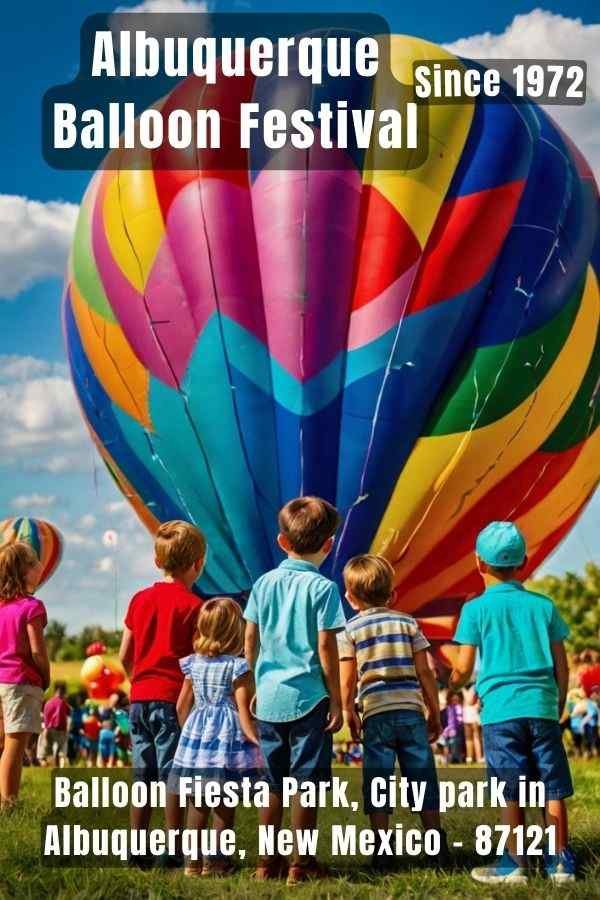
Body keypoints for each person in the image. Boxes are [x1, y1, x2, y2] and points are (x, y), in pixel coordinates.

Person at [450, 521, 575, 884]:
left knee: (511, 788)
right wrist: (558, 701)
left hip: (501, 713)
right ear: (523, 562)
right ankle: (560, 863)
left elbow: (463, 666)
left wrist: (452, 680)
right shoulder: (543, 606)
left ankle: (516, 863)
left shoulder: (474, 610)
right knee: (552, 786)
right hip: (542, 707)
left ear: (479, 563)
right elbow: (561, 664)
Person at [244, 496, 345, 884]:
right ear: (329, 544)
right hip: (309, 699)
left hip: (268, 699)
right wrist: (335, 696)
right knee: (307, 783)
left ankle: (265, 863)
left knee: (272, 783)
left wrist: (255, 679)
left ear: (282, 542)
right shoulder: (324, 588)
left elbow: (250, 637)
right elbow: (326, 646)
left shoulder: (263, 584)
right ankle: (300, 864)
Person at [338, 554, 448, 869]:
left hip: (375, 712)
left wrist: (349, 711)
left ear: (350, 596)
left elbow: (348, 679)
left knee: (378, 779)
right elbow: (426, 671)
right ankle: (434, 844)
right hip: (411, 711)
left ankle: (383, 850)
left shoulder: (350, 630)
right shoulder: (407, 623)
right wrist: (434, 710)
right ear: (392, 594)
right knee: (422, 777)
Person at [119, 520, 205, 867]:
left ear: (157, 562)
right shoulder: (194, 606)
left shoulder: (140, 600)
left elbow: (125, 653)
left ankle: (137, 851)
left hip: (139, 699)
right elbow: (197, 662)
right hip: (173, 701)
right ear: (198, 564)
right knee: (173, 775)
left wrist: (136, 681)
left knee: (144, 774)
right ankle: (173, 849)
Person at [170, 598, 263, 877]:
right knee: (224, 801)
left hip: (197, 735)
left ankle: (192, 864)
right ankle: (218, 862)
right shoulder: (237, 667)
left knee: (197, 801)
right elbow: (244, 711)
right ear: (235, 630)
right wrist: (256, 739)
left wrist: (192, 734)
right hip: (227, 740)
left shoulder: (193, 664)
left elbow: (180, 706)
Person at [0, 542, 48, 809]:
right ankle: (9, 803)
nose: (39, 567)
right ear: (24, 572)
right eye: (34, 563)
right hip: (20, 682)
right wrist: (45, 675)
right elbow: (37, 650)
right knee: (15, 747)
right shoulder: (32, 607)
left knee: (3, 745)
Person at [38, 682, 71, 768]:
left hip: (48, 729)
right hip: (59, 728)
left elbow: (45, 716)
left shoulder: (48, 702)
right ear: (63, 692)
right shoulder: (62, 703)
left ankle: (49, 766)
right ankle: (58, 768)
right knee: (60, 750)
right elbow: (64, 715)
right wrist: (64, 729)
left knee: (49, 750)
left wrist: (46, 728)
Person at [462, 684, 484, 763]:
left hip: (472, 711)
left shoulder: (474, 686)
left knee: (476, 736)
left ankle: (478, 757)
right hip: (467, 711)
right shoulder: (469, 686)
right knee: (469, 737)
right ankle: (470, 757)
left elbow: (470, 701)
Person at [443, 691, 465, 764]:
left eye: (457, 696)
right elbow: (445, 719)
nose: (455, 698)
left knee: (456, 745)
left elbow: (460, 720)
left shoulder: (460, 707)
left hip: (457, 730)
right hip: (447, 731)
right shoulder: (447, 708)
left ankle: (457, 759)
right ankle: (447, 760)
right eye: (453, 696)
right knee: (447, 745)